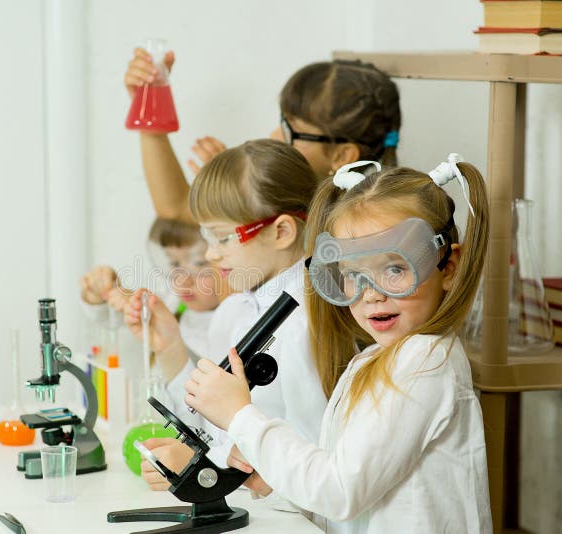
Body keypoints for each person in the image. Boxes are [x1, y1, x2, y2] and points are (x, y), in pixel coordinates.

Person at [183, 155, 493, 533]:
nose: (371, 294)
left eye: (395, 268)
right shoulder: (375, 359)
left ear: (448, 267)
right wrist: (273, 480)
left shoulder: (423, 363)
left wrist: (240, 416)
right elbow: (343, 492)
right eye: (353, 273)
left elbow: (340, 494)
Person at [123, 139, 328, 489]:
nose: (211, 254)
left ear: (281, 231)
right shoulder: (234, 311)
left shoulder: (309, 324)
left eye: (223, 238)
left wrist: (209, 466)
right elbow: (212, 428)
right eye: (207, 237)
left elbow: (314, 468)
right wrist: (171, 348)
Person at [124, 48, 401, 223]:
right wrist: (148, 108)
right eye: (282, 121)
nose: (273, 135)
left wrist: (236, 194)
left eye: (291, 131)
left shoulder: (357, 230)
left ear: (342, 155)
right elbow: (174, 207)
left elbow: (175, 208)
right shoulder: (287, 196)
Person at [79, 217, 223, 368]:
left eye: (199, 264)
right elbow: (108, 317)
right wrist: (102, 292)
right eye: (174, 263)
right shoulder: (170, 302)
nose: (182, 280)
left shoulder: (234, 322)